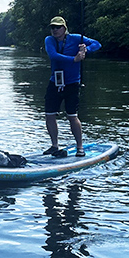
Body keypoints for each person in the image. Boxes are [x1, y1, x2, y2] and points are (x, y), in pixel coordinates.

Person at [43, 15, 101, 158]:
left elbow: (97, 44)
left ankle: (80, 147)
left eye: (58, 27)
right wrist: (74, 59)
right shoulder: (49, 40)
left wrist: (85, 49)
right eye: (52, 27)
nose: (55, 30)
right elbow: (53, 56)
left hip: (72, 83)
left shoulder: (75, 38)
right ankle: (54, 145)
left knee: (72, 116)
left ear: (64, 28)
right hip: (55, 82)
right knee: (49, 115)